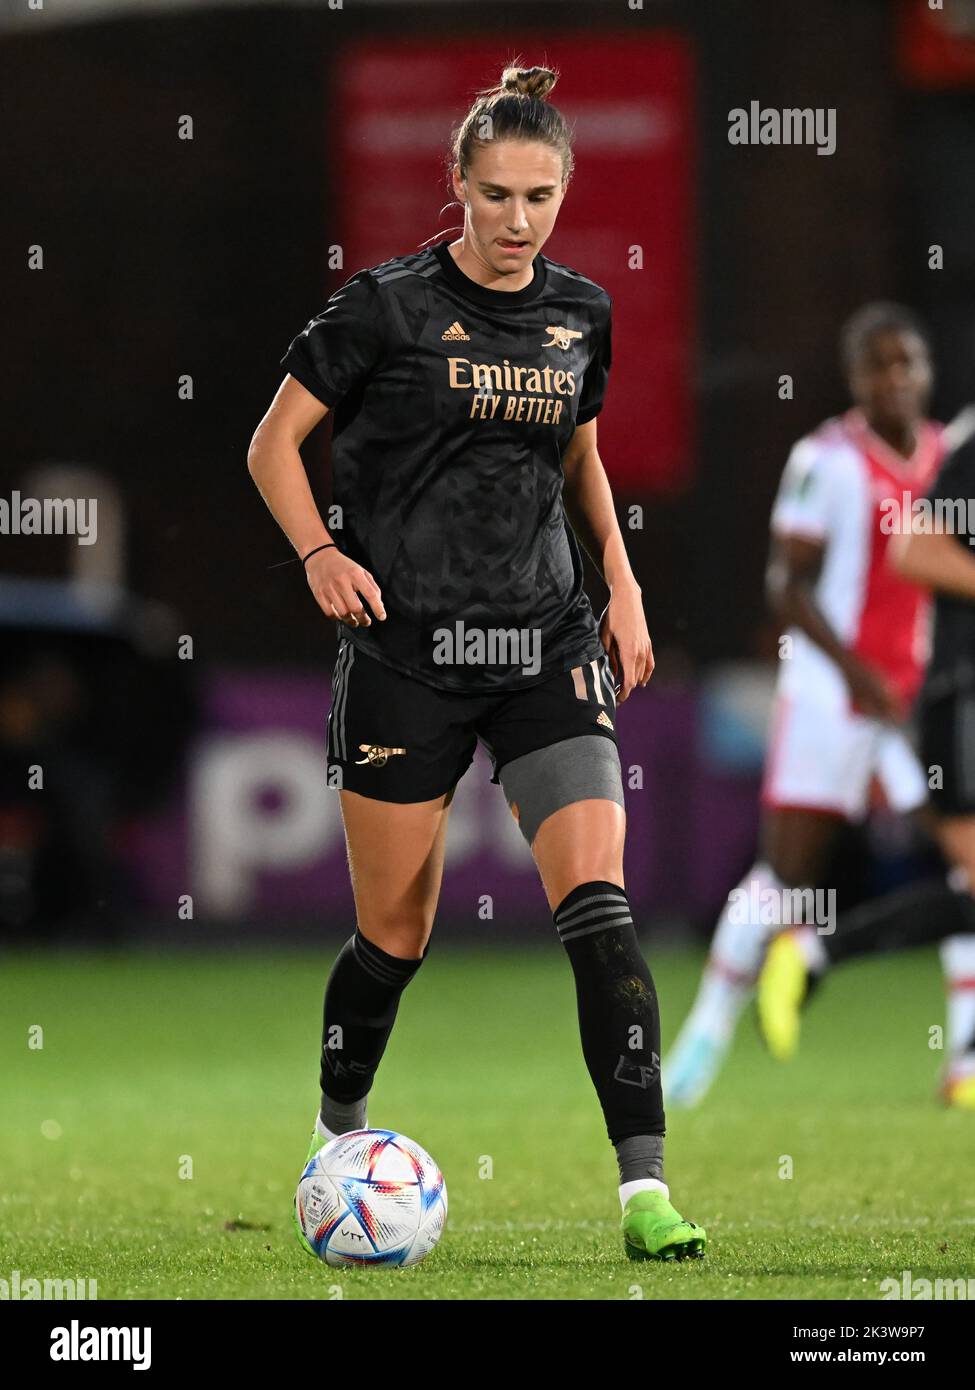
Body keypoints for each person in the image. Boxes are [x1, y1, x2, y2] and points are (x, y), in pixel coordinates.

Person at [248, 61, 705, 1261]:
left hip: (543, 643)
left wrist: (622, 579)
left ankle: (645, 1193)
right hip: (408, 652)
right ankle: (336, 1130)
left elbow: (579, 454)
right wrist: (315, 554)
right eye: (496, 194)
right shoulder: (383, 308)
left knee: (601, 916)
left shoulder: (582, 312)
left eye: (541, 195)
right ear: (456, 186)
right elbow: (273, 442)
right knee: (395, 938)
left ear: (565, 191)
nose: (518, 220)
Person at [665, 302, 945, 1107]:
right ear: (853, 378)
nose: (893, 378)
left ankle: (961, 1054)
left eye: (905, 363)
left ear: (925, 372)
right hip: (833, 695)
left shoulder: (945, 460)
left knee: (965, 861)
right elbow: (783, 585)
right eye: (875, 365)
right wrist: (855, 672)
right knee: (786, 876)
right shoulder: (823, 459)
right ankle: (706, 1035)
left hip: (913, 696)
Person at [758, 404, 975, 1108]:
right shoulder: (968, 442)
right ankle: (813, 953)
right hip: (958, 696)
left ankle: (821, 955)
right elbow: (913, 548)